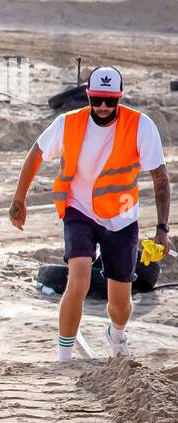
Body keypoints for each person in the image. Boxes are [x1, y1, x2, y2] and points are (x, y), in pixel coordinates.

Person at [10, 66, 170, 360]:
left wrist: (162, 229)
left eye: (111, 100)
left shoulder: (140, 126)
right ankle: (63, 358)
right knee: (79, 279)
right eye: (97, 99)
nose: (104, 107)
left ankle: (117, 334)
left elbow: (160, 178)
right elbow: (36, 152)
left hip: (121, 219)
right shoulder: (68, 123)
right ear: (88, 95)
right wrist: (19, 200)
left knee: (120, 303)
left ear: (120, 97)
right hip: (79, 210)